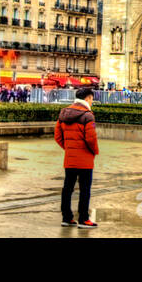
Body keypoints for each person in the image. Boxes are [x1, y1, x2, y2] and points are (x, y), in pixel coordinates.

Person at [54, 86, 99, 228]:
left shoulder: (63, 113)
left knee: (67, 189)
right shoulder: (88, 115)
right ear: (88, 98)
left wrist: (68, 149)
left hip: (70, 159)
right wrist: (94, 152)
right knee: (85, 190)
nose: (92, 102)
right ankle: (83, 219)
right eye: (92, 99)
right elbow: (91, 139)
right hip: (85, 160)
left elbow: (57, 136)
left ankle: (66, 218)